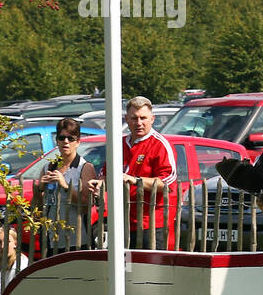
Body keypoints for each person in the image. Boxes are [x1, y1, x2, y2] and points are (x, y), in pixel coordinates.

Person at [88, 96, 177, 248]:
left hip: (153, 225)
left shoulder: (160, 145)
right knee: (127, 269)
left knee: (150, 270)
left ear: (152, 119)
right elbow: (106, 174)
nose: (139, 123)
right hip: (123, 222)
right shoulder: (119, 144)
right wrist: (99, 183)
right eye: (134, 118)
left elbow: (168, 184)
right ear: (126, 119)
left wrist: (135, 180)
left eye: (143, 118)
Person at [32, 117, 98, 254]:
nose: (65, 142)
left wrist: (65, 185)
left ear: (78, 142)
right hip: (52, 239)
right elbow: (37, 209)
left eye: (71, 138)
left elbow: (86, 206)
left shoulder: (85, 167)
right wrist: (39, 189)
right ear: (57, 141)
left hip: (78, 240)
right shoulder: (48, 167)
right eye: (62, 138)